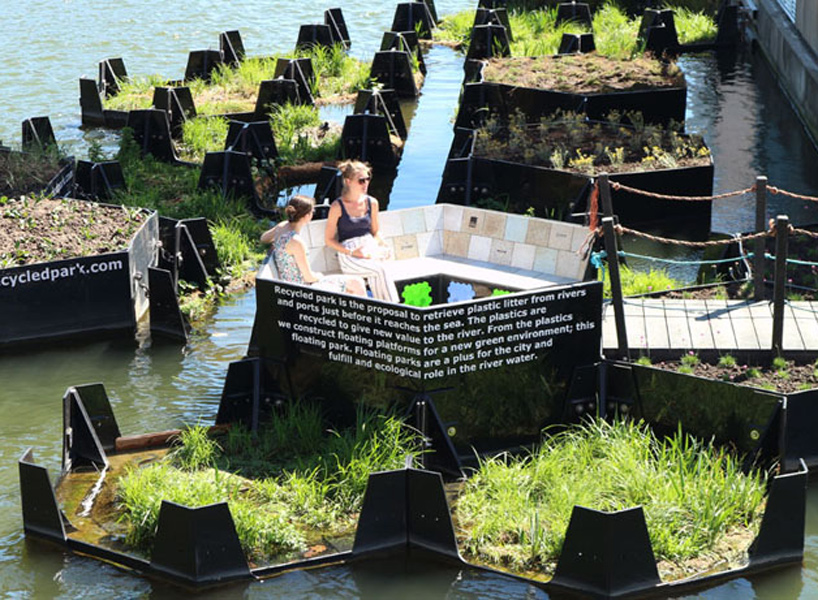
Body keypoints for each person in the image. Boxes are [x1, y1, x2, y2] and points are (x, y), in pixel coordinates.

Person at [324, 160, 400, 302]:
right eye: (361, 180)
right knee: (380, 270)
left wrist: (381, 244)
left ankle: (381, 311)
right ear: (348, 181)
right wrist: (353, 252)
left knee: (377, 272)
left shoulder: (372, 202)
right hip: (349, 253)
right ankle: (395, 308)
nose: (365, 184)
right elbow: (329, 240)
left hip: (369, 247)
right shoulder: (337, 206)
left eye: (367, 179)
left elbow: (375, 232)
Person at [261, 195, 366, 296]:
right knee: (357, 283)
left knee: (351, 285)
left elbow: (263, 238)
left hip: (290, 286)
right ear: (307, 216)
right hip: (303, 290)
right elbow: (308, 277)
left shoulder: (282, 226)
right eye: (312, 212)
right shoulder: (296, 242)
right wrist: (320, 276)